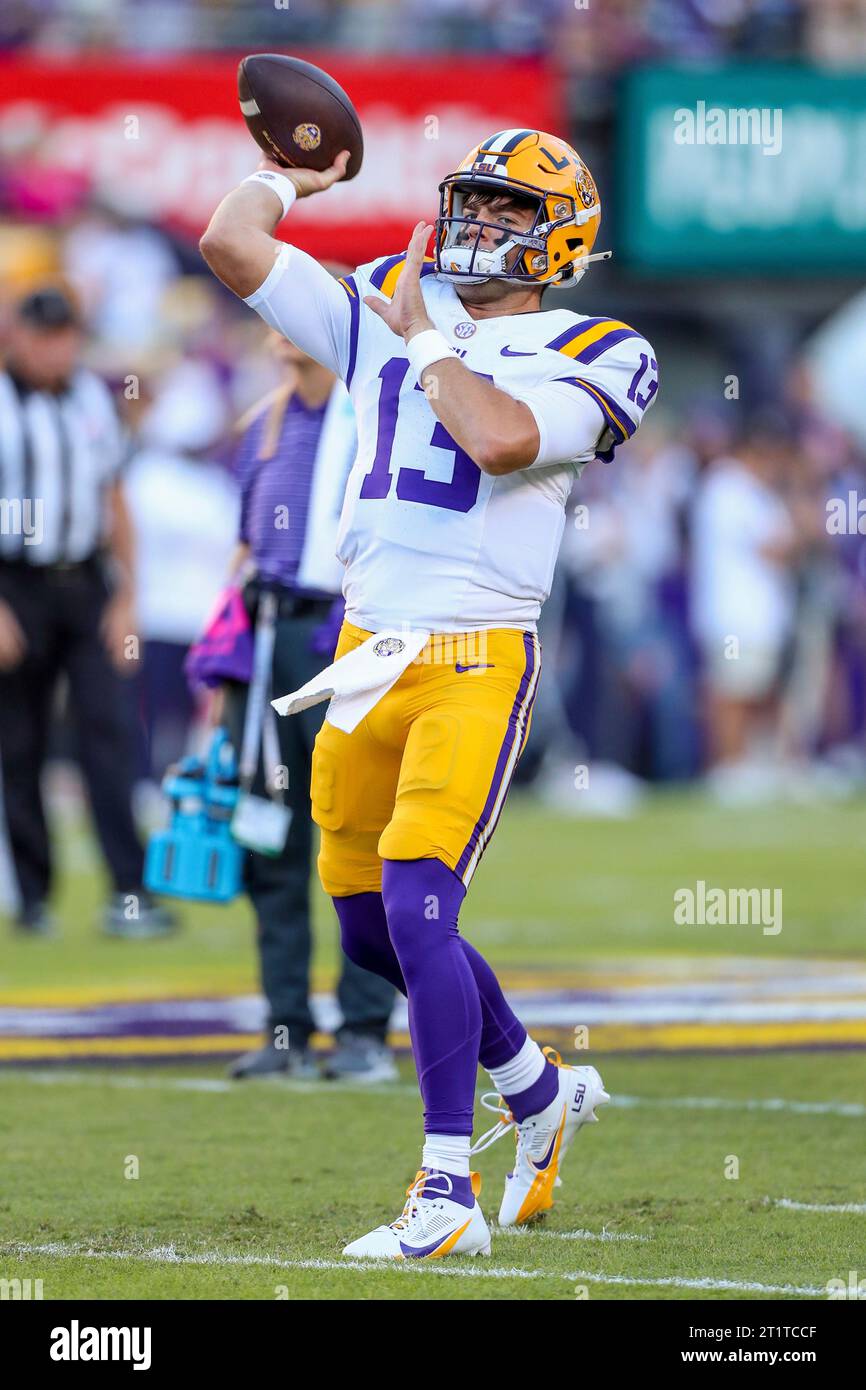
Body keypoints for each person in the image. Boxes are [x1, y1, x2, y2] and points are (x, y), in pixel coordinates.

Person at [200, 127, 658, 1258]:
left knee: (416, 904)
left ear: (558, 242)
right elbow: (228, 240)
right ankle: (538, 1089)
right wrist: (287, 181)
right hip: (362, 651)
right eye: (473, 204)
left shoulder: (599, 344)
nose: (478, 228)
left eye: (507, 214)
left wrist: (426, 341)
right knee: (367, 934)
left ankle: (444, 1190)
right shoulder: (386, 298)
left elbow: (500, 439)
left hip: (474, 654)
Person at [206, 328, 398, 1083]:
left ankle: (362, 1030)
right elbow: (244, 549)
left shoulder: (377, 419)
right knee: (266, 836)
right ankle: (285, 1026)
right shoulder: (264, 422)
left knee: (359, 832)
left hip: (344, 634)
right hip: (266, 639)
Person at [0, 286, 172, 937]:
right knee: (21, 743)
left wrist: (127, 594)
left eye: (66, 335)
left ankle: (129, 894)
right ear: (18, 336)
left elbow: (115, 497)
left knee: (111, 733)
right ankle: (33, 898)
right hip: (16, 584)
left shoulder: (93, 398)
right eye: (45, 336)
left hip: (86, 585)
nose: (56, 349)